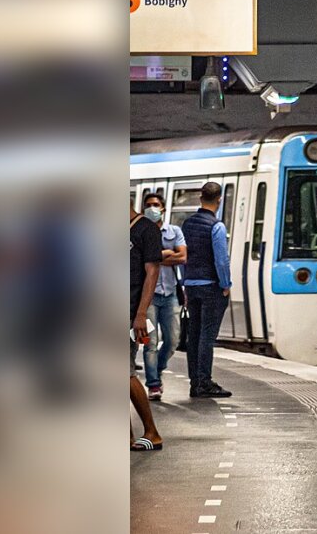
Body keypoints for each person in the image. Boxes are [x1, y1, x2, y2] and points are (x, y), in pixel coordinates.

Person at [181, 182, 232, 398]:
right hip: (211, 286)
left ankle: (195, 382)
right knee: (207, 337)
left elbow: (183, 257)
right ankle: (204, 382)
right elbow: (221, 260)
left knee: (194, 335)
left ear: (201, 198)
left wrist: (185, 282)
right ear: (219, 200)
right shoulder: (217, 226)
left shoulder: (187, 224)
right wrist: (226, 285)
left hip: (192, 285)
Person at [141, 192, 186, 401]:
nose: (153, 208)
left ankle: (157, 369)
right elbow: (139, 261)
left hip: (170, 294)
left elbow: (183, 256)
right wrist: (167, 253)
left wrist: (155, 258)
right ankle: (153, 384)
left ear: (163, 208)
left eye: (156, 204)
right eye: (149, 205)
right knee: (150, 342)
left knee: (173, 340)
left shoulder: (174, 231)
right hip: (148, 297)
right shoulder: (139, 232)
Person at [130, 205, 164, 450]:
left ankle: (152, 432)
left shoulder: (146, 229)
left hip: (130, 310)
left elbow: (152, 272)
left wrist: (141, 313)